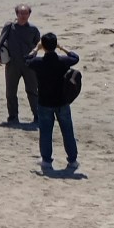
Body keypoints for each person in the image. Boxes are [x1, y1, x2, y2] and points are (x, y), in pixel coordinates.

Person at [31, 30, 82, 175]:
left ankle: (46, 160)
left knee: (46, 132)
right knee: (67, 131)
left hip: (45, 102)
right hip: (62, 101)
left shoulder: (38, 62)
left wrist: (36, 49)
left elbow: (26, 59)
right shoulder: (63, 61)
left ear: (44, 46)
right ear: (54, 45)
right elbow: (75, 57)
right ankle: (72, 160)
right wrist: (62, 47)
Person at [0, 5, 42, 126]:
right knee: (10, 92)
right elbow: (1, 41)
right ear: (16, 14)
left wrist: (34, 53)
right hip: (12, 64)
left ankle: (38, 116)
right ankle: (13, 117)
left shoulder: (33, 29)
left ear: (29, 15)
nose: (23, 16)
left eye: (25, 13)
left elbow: (38, 44)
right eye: (21, 13)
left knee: (32, 91)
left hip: (29, 65)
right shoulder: (10, 27)